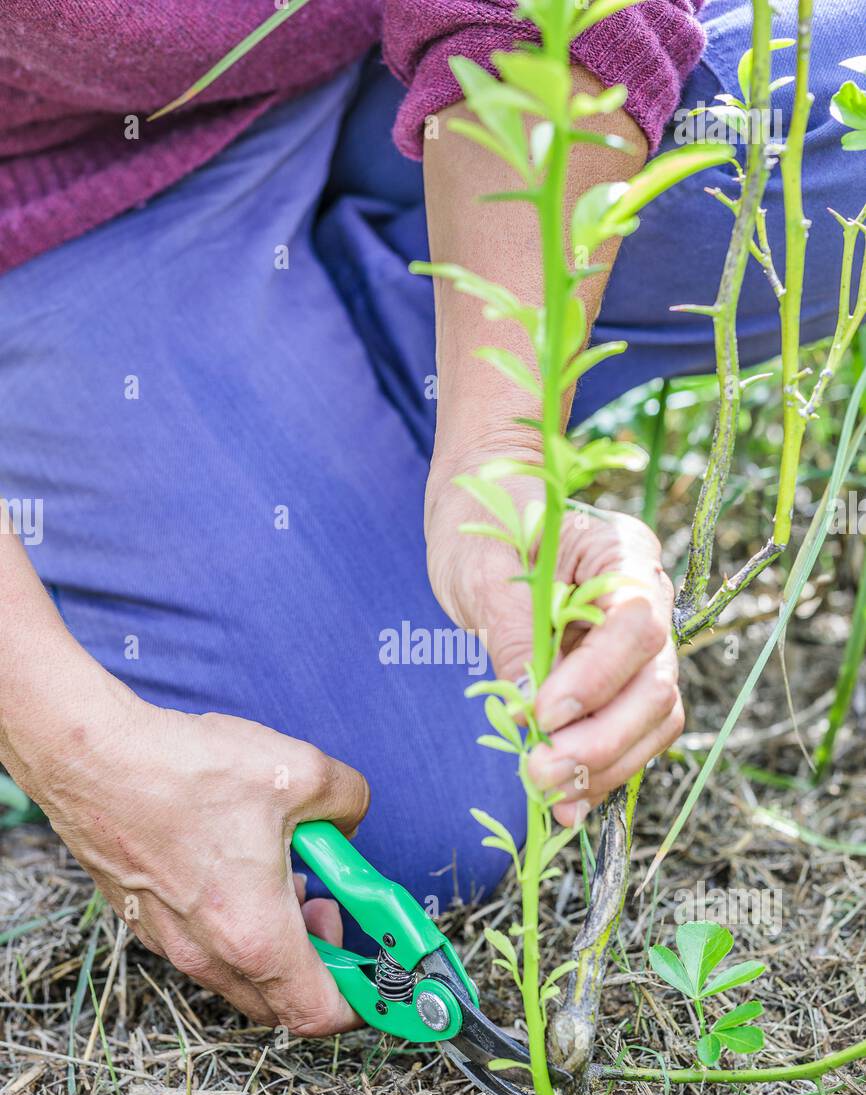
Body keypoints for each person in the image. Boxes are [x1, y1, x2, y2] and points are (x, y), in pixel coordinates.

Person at [0, 1, 855, 1036]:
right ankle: (285, 411)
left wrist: (500, 453)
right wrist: (73, 747)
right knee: (396, 823)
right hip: (61, 218)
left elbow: (555, 19)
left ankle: (382, 397)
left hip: (395, 87)